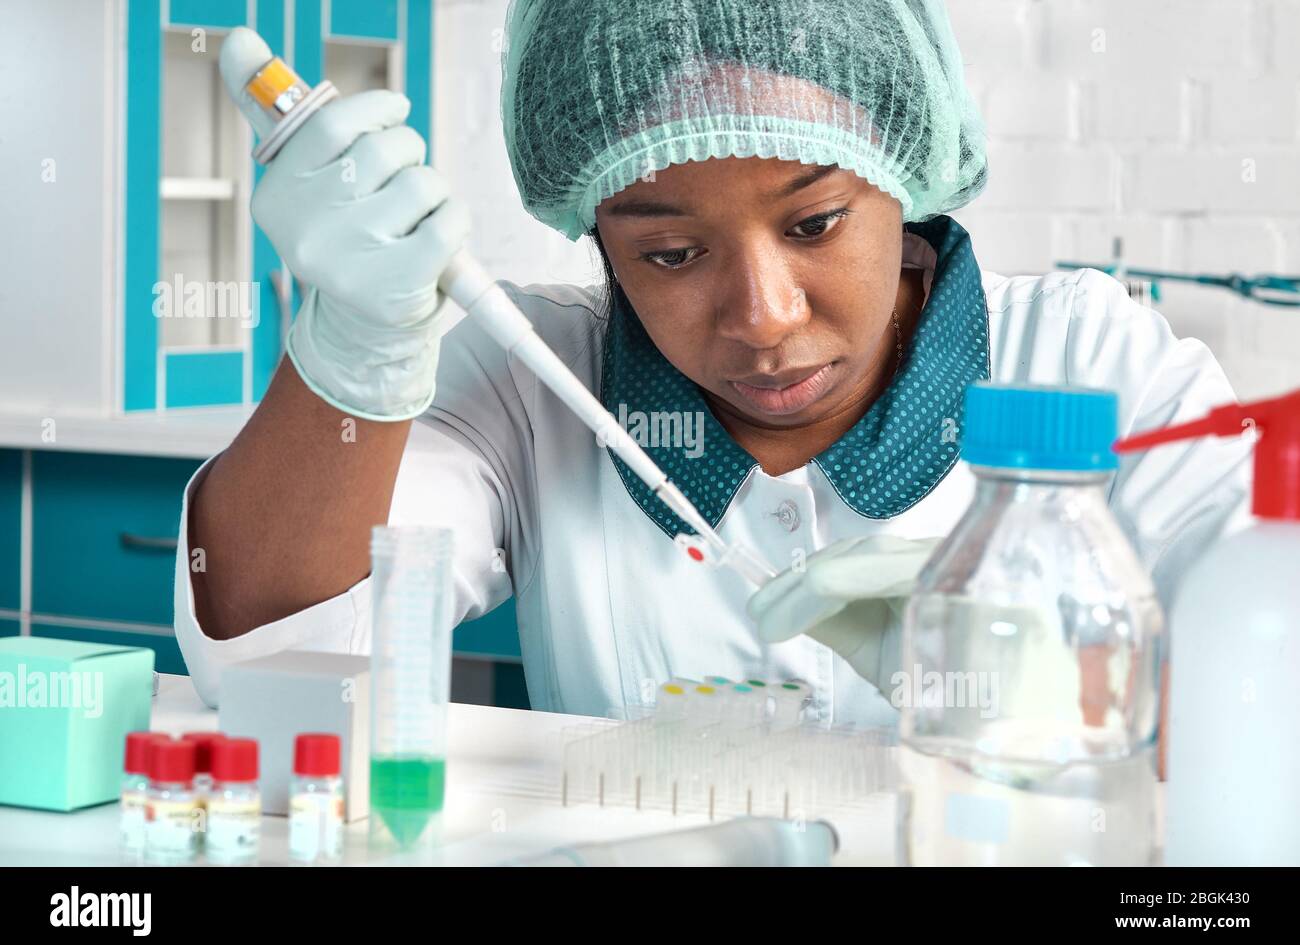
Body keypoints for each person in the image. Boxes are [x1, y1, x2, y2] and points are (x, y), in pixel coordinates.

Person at [177, 2, 1253, 742]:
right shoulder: (532, 382)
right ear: (593, 233)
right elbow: (280, 669)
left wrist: (1019, 691)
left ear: (906, 180)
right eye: (671, 253)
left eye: (817, 221)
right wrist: (352, 354)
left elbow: (1266, 713)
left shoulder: (1091, 361)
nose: (763, 316)